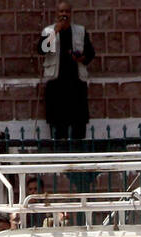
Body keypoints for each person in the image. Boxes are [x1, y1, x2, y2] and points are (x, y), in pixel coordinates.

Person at [39, 2, 96, 140]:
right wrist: (55, 32)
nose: (64, 14)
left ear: (71, 13)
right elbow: (42, 50)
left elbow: (90, 54)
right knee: (57, 124)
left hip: (76, 83)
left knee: (78, 123)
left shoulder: (80, 31)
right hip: (56, 83)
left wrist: (81, 58)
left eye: (67, 12)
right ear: (56, 13)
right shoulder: (48, 31)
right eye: (61, 12)